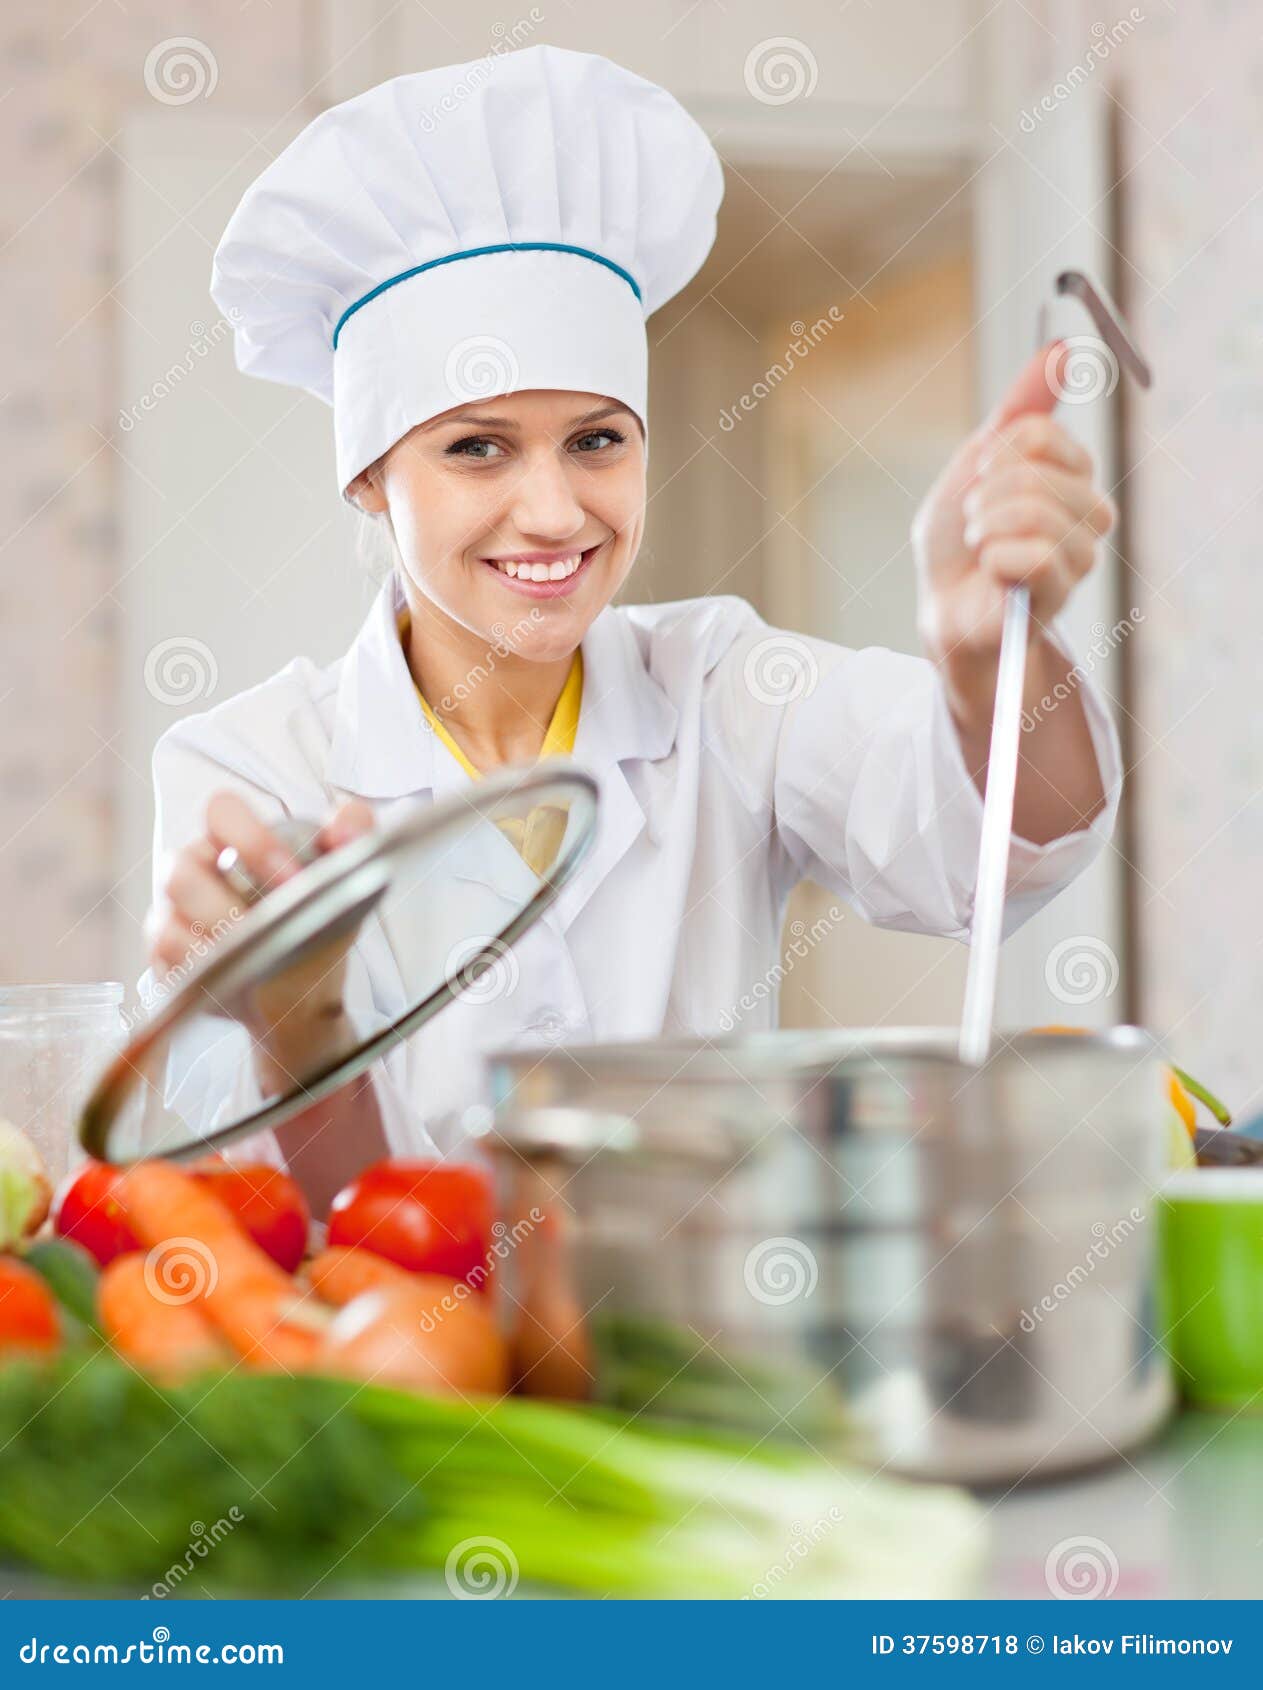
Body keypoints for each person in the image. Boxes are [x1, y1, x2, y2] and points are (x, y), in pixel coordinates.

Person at [144, 45, 1120, 1208]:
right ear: (366, 476)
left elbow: (997, 840)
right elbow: (295, 1220)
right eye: (478, 447)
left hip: (695, 1349)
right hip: (394, 1365)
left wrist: (981, 660)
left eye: (597, 440)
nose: (555, 510)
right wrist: (298, 1026)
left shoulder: (719, 684)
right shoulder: (251, 770)